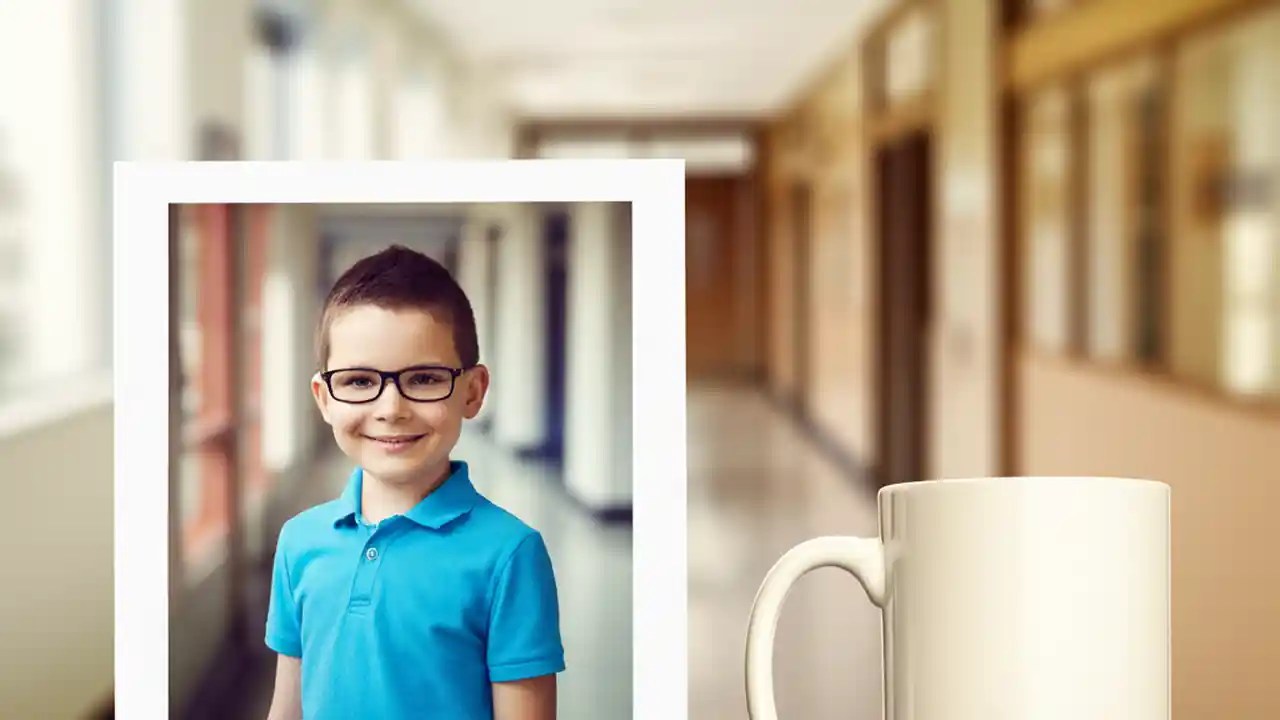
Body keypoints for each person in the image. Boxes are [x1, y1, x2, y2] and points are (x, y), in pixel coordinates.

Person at [264, 244, 563, 720]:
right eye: (360, 381)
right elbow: (287, 707)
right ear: (324, 398)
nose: (391, 408)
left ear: (473, 391)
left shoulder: (510, 554)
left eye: (423, 379)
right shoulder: (299, 542)